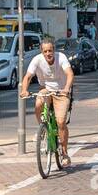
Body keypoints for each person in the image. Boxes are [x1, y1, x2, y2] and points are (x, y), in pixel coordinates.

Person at [20, 35, 76, 166]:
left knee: (61, 121)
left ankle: (64, 152)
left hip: (62, 91)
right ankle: (43, 128)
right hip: (46, 89)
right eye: (45, 51)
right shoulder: (37, 60)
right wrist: (24, 90)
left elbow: (70, 74)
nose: (48, 54)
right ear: (41, 51)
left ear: (54, 50)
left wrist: (67, 88)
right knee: (38, 103)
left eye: (50, 50)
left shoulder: (61, 57)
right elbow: (28, 76)